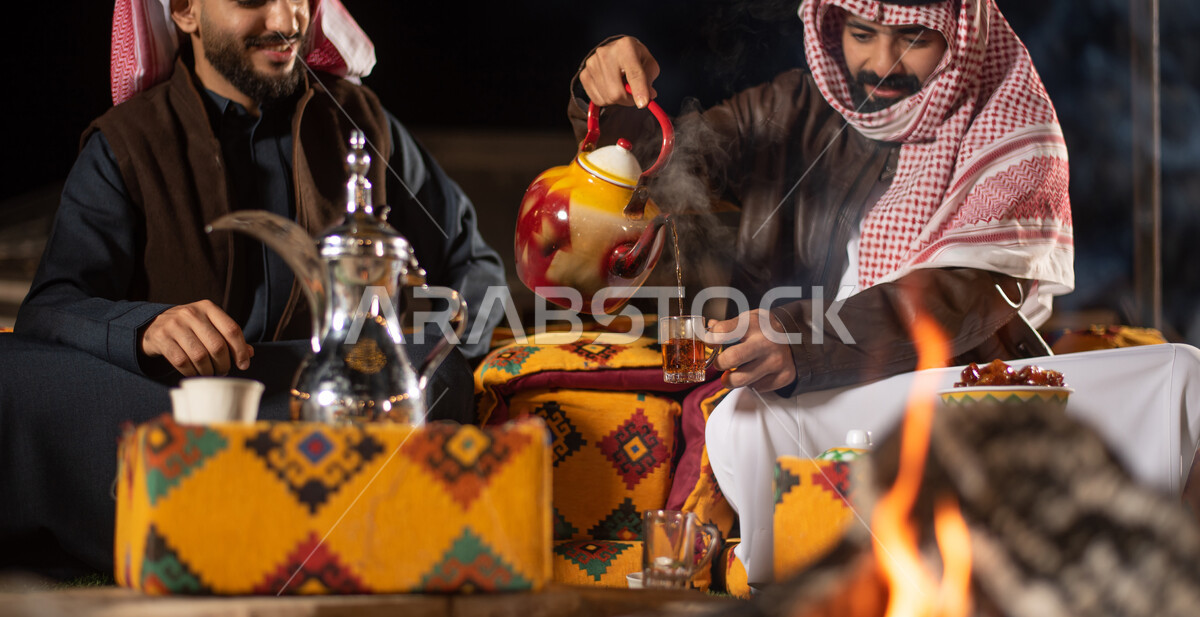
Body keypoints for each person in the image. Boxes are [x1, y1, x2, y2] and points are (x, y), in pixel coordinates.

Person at [0, 0, 504, 579]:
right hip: (179, 411)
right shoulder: (127, 144)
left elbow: (472, 263)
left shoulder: (358, 122)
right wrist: (144, 328)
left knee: (437, 371)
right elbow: (52, 306)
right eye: (252, 1)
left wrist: (413, 357)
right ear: (185, 11)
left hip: (328, 403)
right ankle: (308, 521)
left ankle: (204, 521)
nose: (286, 21)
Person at [574, 0, 1073, 584]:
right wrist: (611, 104)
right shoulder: (795, 108)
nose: (882, 64)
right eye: (862, 33)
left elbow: (963, 294)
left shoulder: (1009, 124)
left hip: (947, 385)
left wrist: (799, 338)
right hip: (811, 382)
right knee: (740, 423)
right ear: (834, 25)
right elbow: (657, 167)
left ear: (961, 35)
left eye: (913, 37)